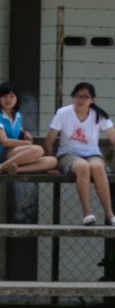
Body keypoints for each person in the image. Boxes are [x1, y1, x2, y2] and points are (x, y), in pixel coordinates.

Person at [45, 82, 115, 226]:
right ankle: (87, 213)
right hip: (67, 155)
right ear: (72, 97)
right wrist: (50, 163)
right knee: (82, 166)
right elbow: (49, 140)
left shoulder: (99, 115)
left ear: (92, 99)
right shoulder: (63, 113)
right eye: (77, 96)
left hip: (92, 154)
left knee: (97, 167)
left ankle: (109, 214)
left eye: (85, 97)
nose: (81, 100)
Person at [0, 82, 56, 176]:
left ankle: (14, 170)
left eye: (12, 96)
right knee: (38, 150)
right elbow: (4, 142)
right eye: (4, 96)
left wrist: (25, 133)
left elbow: (16, 130)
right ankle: (0, 166)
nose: (8, 99)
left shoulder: (17, 115)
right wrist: (26, 143)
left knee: (52, 161)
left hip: (14, 154)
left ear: (17, 98)